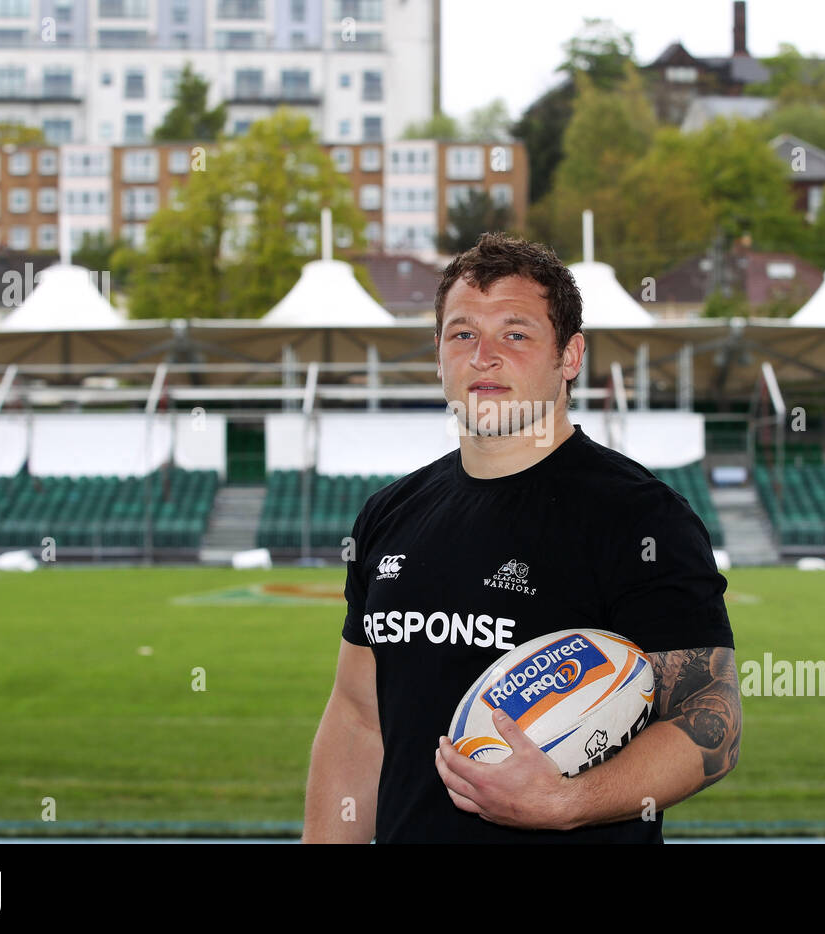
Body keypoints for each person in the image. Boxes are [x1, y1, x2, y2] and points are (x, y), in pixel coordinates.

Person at [302, 233, 740, 843]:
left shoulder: (642, 520)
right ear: (438, 352)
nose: (483, 355)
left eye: (515, 333)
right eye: (462, 334)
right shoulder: (388, 514)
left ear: (569, 356)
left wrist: (568, 802)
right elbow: (358, 721)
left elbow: (709, 725)